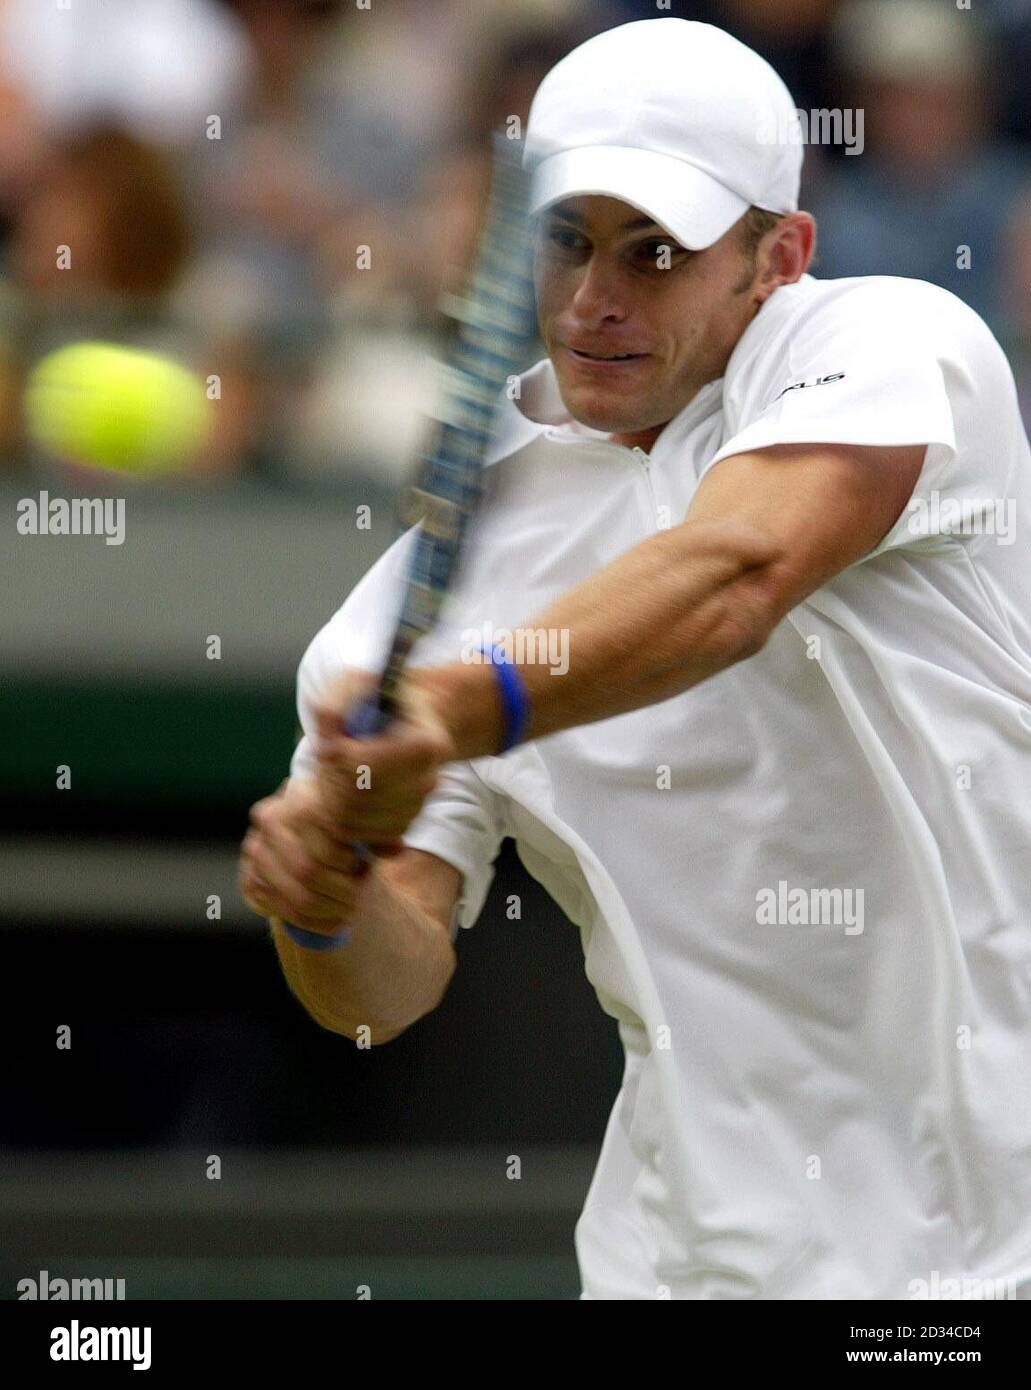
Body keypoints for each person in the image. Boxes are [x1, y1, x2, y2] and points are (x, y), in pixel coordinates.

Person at [239, 18, 1031, 1300]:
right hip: (683, 1274)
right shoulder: (395, 626)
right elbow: (380, 995)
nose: (593, 299)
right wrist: (324, 897)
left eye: (654, 251)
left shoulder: (894, 345)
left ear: (779, 257)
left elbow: (734, 572)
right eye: (568, 241)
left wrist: (457, 706)